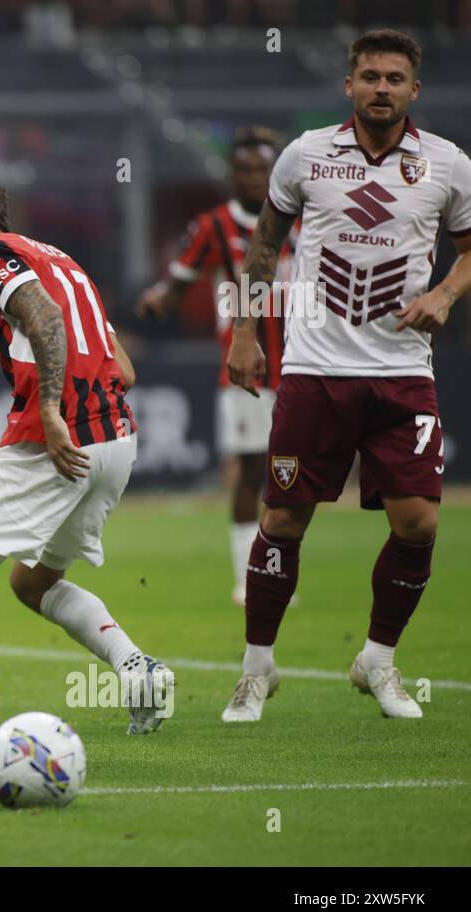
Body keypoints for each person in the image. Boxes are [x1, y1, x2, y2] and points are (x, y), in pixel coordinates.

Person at [222, 29, 471, 721]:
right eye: (370, 76)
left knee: (419, 523)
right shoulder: (306, 154)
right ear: (350, 85)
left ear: (414, 90)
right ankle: (257, 669)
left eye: (395, 77)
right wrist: (245, 330)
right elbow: (265, 244)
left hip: (402, 374)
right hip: (315, 370)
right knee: (284, 517)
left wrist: (446, 295)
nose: (382, 88)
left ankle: (378, 659)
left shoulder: (448, 164)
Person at [0, 174, 174, 740]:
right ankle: (138, 669)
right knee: (32, 583)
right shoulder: (61, 260)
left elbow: (45, 320)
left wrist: (50, 408)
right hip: (115, 442)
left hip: (54, 439)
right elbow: (122, 370)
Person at [136, 127, 299, 606]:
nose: (253, 178)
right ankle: (249, 577)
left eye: (262, 169)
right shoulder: (213, 227)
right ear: (230, 174)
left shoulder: (304, 222)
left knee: (293, 477)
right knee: (252, 472)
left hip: (305, 366)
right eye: (244, 169)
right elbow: (177, 283)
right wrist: (154, 302)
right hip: (245, 374)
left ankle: (278, 571)